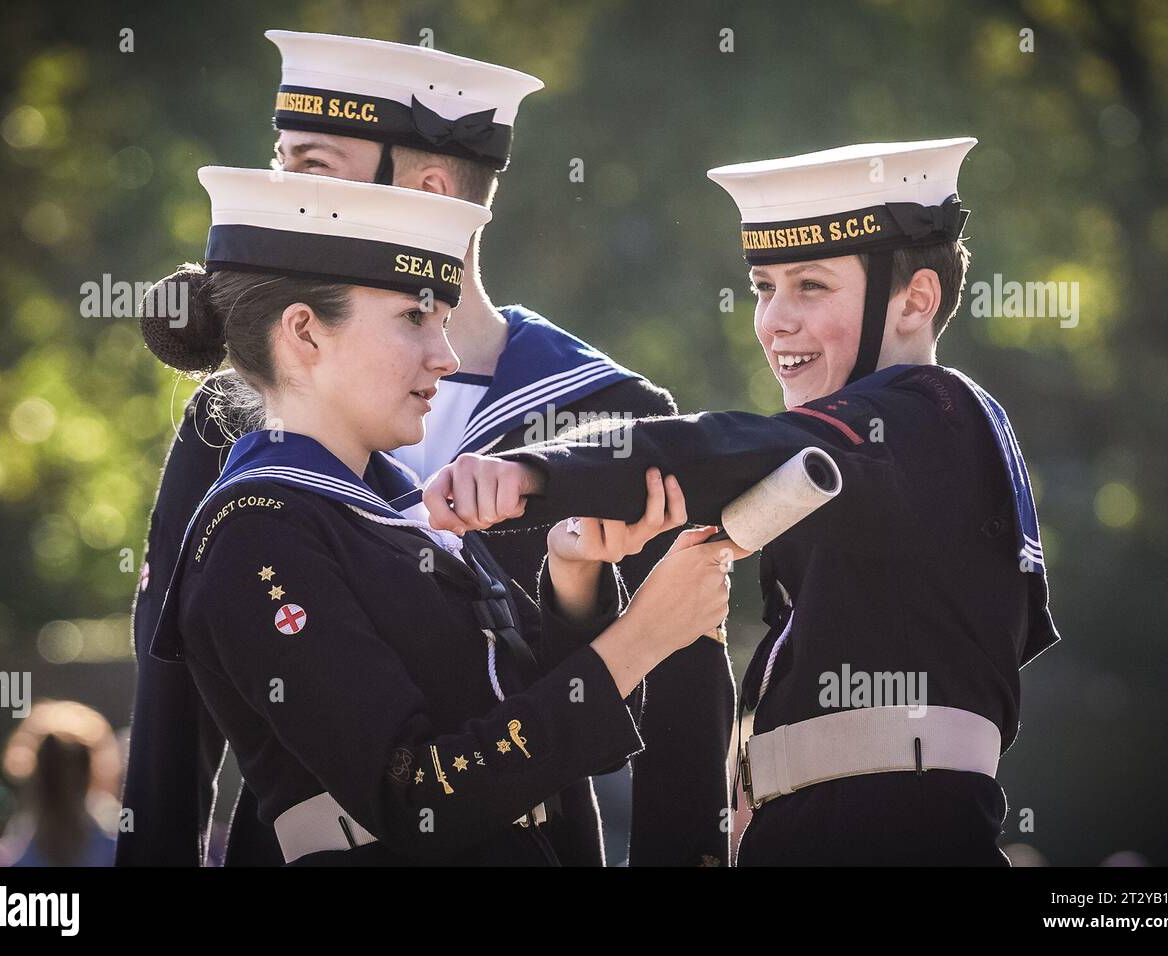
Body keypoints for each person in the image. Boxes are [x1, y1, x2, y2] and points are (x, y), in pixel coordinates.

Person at [120, 32, 731, 868]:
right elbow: (178, 706)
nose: (282, 194)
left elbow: (657, 701)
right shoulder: (237, 428)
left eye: (312, 167)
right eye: (281, 164)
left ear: (431, 188)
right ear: (303, 336)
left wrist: (581, 582)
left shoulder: (605, 409)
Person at [424, 138, 1062, 865]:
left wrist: (538, 473)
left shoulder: (927, 411)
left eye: (811, 286)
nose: (775, 321)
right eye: (764, 287)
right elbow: (669, 691)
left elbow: (730, 445)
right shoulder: (871, 470)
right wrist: (578, 572)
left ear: (917, 299)